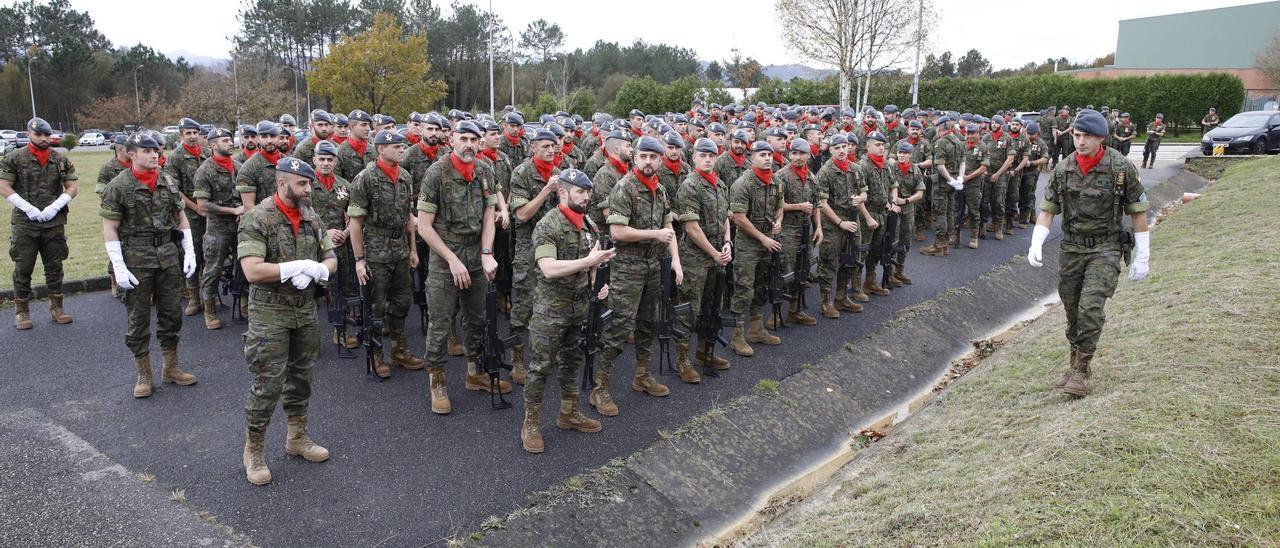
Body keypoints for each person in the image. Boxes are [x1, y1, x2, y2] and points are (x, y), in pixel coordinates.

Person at [1027, 109, 1150, 397]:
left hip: (1105, 247)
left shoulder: (1121, 168)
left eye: (1086, 137)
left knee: (1090, 308)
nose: (1079, 142)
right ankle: (1074, 364)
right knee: (1072, 309)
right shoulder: (1064, 168)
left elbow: (1138, 213)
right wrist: (1037, 241)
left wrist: (1143, 256)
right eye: (1076, 136)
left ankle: (1081, 371)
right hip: (1071, 247)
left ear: (1101, 138)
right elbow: (1047, 210)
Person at [237, 155, 337, 486]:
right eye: (302, 184)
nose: (309, 189)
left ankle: (297, 437)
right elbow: (252, 270)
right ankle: (254, 449)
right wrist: (293, 268)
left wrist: (319, 270)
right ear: (282, 183)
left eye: (309, 183)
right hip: (270, 313)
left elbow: (331, 257)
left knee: (302, 376)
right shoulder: (258, 217)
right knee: (268, 383)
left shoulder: (310, 215)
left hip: (304, 309)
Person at [520, 167, 614, 453]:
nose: (586, 198)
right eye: (580, 192)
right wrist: (589, 262)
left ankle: (568, 412)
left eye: (588, 192)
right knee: (540, 367)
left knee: (573, 359)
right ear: (563, 193)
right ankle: (531, 423)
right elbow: (548, 269)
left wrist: (598, 282)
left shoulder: (589, 225)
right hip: (551, 307)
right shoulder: (548, 225)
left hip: (580, 304)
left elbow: (593, 261)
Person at [99, 133, 198, 398]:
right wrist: (118, 266)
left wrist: (189, 251)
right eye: (147, 150)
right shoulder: (119, 185)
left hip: (167, 255)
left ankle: (171, 367)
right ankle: (144, 374)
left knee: (171, 314)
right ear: (132, 154)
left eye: (155, 150)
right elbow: (110, 227)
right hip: (136, 258)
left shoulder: (167, 180)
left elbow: (180, 217)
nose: (154, 154)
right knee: (138, 317)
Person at [416, 121, 505, 414]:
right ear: (453, 139)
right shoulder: (436, 173)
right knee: (440, 322)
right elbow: (425, 228)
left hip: (476, 253)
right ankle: (437, 381)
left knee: (477, 318)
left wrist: (487, 252)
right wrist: (452, 260)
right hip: (445, 257)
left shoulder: (485, 171)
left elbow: (489, 215)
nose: (468, 144)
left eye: (474, 139)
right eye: (463, 138)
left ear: (480, 143)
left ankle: (473, 371)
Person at [591, 135, 682, 417]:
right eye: (643, 156)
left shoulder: (660, 190)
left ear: (659, 159)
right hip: (628, 267)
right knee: (618, 329)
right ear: (636, 157)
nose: (647, 161)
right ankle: (600, 388)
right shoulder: (624, 188)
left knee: (648, 324)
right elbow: (617, 232)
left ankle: (642, 375)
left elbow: (668, 228)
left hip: (654, 265)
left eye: (653, 157)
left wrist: (676, 261)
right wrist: (653, 234)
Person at [347, 129, 424, 379]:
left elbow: (409, 218)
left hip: (400, 248)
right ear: (381, 149)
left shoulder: (404, 177)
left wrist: (412, 249)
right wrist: (359, 260)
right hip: (376, 249)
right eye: (396, 147)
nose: (402, 150)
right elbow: (356, 223)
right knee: (376, 305)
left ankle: (399, 349)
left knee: (402, 301)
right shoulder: (365, 178)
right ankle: (377, 353)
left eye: (403, 146)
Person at [1, 117, 78, 329]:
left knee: (55, 266)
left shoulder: (59, 159)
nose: (44, 139)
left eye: (47, 135)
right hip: (25, 223)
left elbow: (72, 187)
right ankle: (22, 311)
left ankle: (57, 308)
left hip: (53, 222)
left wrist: (56, 205)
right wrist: (28, 208)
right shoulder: (14, 158)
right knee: (23, 266)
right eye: (39, 135)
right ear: (29, 134)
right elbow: (4, 186)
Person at [672, 137, 734, 382]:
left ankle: (704, 352)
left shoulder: (719, 185)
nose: (708, 158)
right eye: (703, 155)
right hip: (696, 258)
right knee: (690, 310)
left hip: (716, 255)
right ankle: (682, 359)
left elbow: (725, 219)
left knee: (712, 307)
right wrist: (714, 252)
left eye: (712, 155)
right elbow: (691, 228)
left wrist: (727, 243)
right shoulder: (690, 186)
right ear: (694, 157)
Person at [508, 129, 562, 382]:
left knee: (555, 301)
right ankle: (517, 359)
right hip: (529, 249)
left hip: (557, 247)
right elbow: (522, 215)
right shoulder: (522, 173)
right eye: (545, 146)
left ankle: (549, 352)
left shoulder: (564, 169)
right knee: (524, 304)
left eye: (553, 145)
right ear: (532, 148)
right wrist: (546, 190)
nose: (551, 150)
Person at [727, 141, 785, 357]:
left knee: (762, 285)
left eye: (770, 154)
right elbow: (740, 218)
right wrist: (763, 238)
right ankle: (737, 336)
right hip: (749, 245)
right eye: (762, 154)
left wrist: (779, 221)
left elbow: (780, 205)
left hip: (768, 242)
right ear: (752, 158)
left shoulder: (776, 180)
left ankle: (756, 329)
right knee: (744, 289)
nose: (768, 158)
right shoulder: (743, 184)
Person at [193, 128, 243, 329]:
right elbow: (203, 205)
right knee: (213, 270)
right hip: (218, 229)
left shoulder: (239, 167)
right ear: (213, 145)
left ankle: (245, 304)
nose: (230, 143)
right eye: (225, 141)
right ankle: (209, 310)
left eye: (230, 140)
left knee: (244, 265)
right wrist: (232, 211)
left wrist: (243, 211)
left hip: (240, 226)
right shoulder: (205, 170)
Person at [774, 137, 822, 327]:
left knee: (802, 271)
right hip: (787, 231)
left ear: (809, 155)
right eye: (794, 153)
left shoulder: (811, 177)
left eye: (802, 153)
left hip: (805, 230)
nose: (797, 157)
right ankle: (775, 314)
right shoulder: (781, 176)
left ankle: (795, 310)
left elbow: (816, 205)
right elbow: (776, 207)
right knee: (784, 273)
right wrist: (798, 206)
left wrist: (818, 227)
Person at [814, 133, 863, 318]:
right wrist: (840, 222)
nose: (843, 151)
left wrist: (860, 198)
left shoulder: (855, 168)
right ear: (831, 150)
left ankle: (842, 297)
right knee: (829, 262)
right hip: (833, 223)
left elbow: (864, 192)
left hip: (852, 220)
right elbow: (822, 203)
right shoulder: (825, 172)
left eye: (845, 146)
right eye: (837, 148)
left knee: (850, 259)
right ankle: (826, 302)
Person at [167, 117, 210, 317]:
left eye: (195, 133)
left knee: (210, 253)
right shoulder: (175, 157)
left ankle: (210, 295)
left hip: (209, 212)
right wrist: (196, 207)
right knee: (192, 253)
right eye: (188, 133)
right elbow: (175, 190)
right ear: (181, 135)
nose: (193, 137)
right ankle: (193, 297)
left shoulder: (207, 154)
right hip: (189, 213)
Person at [855, 132, 899, 297]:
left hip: (882, 212)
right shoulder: (862, 166)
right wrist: (867, 217)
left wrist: (893, 202)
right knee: (862, 249)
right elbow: (858, 196)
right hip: (867, 212)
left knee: (876, 249)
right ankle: (857, 286)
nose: (881, 148)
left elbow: (893, 184)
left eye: (883, 145)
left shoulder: (885, 165)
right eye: (877, 145)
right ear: (868, 146)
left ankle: (870, 281)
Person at [920, 116, 962, 257]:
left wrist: (950, 179)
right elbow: (963, 161)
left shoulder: (941, 142)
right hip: (953, 182)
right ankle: (944, 244)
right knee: (949, 212)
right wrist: (959, 178)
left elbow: (940, 165)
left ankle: (938, 246)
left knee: (940, 213)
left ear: (939, 128)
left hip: (942, 182)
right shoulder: (957, 140)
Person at [887, 141, 925, 287]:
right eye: (899, 153)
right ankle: (888, 272)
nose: (901, 155)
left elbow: (920, 193)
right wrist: (893, 201)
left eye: (905, 153)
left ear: (910, 154)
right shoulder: (890, 168)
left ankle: (899, 270)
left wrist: (906, 200)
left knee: (905, 240)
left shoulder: (915, 170)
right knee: (892, 240)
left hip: (907, 210)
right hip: (892, 210)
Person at [236, 121, 285, 208]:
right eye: (264, 137)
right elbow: (249, 207)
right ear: (258, 139)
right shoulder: (249, 167)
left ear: (278, 138)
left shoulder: (287, 162)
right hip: (264, 219)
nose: (269, 140)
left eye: (273, 136)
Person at [337, 110, 376, 181]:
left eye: (368, 125)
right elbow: (337, 179)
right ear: (351, 127)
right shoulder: (340, 152)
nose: (368, 128)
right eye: (363, 125)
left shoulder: (373, 150)